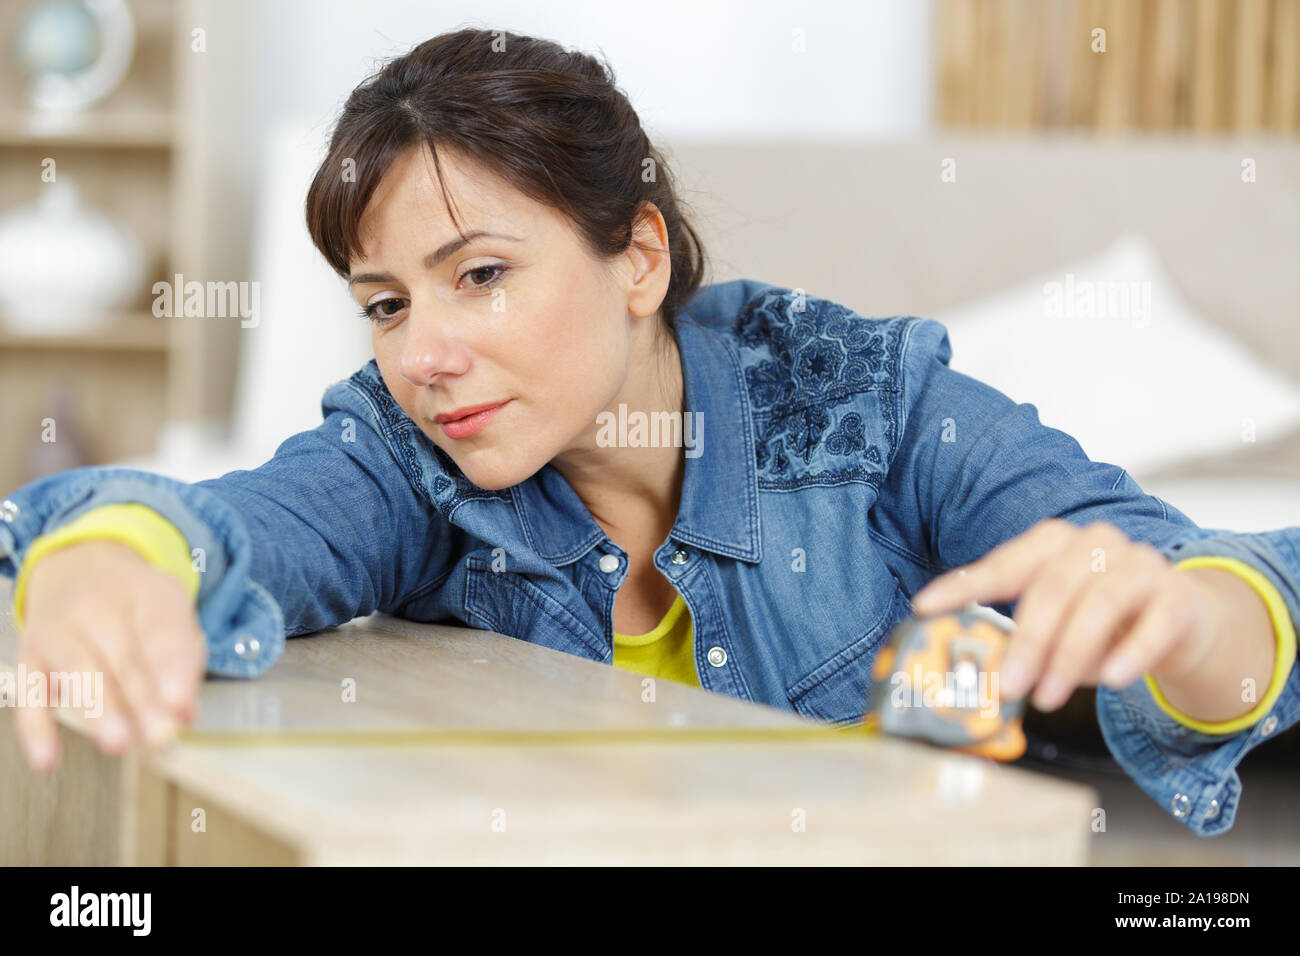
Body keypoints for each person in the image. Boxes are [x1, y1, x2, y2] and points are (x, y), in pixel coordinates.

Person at [0, 28, 1295, 839]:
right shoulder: (410, 459)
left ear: (637, 257)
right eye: (386, 306)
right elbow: (237, 524)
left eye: (483, 275)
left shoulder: (861, 401)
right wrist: (105, 556)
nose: (426, 353)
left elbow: (1201, 581)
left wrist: (1186, 616)